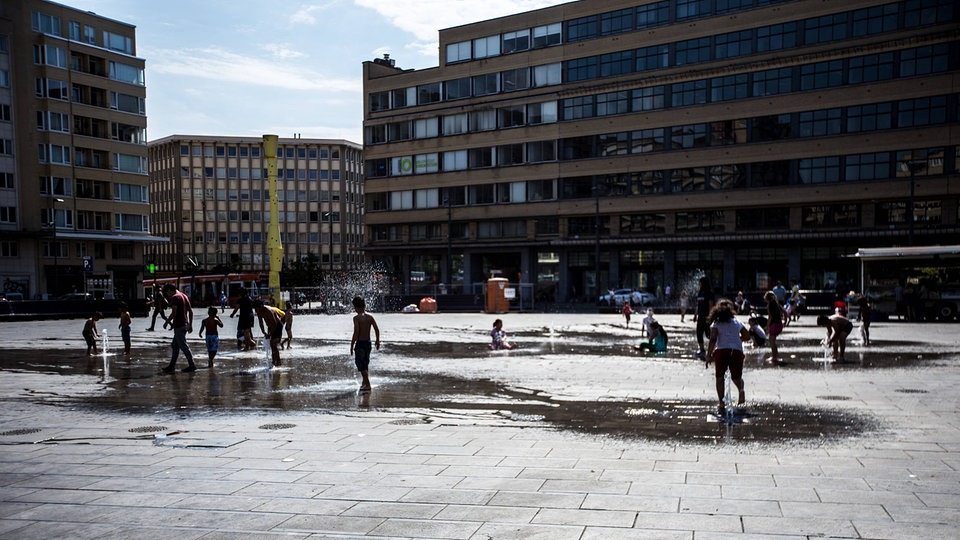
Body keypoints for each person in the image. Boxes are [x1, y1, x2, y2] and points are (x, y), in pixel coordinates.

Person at [706, 299, 750, 415]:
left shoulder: (716, 323)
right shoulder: (736, 322)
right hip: (737, 351)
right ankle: (741, 389)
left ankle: (721, 402)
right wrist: (736, 339)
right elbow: (747, 336)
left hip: (722, 351)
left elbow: (713, 339)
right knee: (736, 377)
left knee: (720, 377)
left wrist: (708, 355)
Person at [161, 283, 197, 373]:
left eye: (167, 293)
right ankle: (171, 366)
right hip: (184, 324)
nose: (168, 295)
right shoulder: (184, 295)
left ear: (169, 290)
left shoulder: (175, 297)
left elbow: (174, 313)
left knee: (183, 345)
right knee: (175, 345)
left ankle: (192, 365)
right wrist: (190, 324)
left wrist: (167, 322)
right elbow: (191, 311)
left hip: (179, 325)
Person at [350, 296, 381, 392]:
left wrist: (352, 345)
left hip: (360, 343)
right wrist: (377, 340)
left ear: (355, 308)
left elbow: (356, 332)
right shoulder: (370, 317)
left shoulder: (356, 318)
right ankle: (364, 382)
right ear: (365, 305)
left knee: (360, 364)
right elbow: (376, 329)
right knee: (365, 363)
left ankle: (367, 384)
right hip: (368, 343)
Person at [253, 299, 286, 367]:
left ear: (261, 306)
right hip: (271, 327)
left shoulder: (268, 311)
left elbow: (274, 323)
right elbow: (261, 322)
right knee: (272, 345)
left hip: (277, 325)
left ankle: (277, 362)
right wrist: (263, 332)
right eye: (255, 309)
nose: (256, 311)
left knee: (273, 343)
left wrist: (270, 334)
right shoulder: (259, 311)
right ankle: (275, 362)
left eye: (257, 309)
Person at [694, 276, 715, 361]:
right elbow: (698, 305)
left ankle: (714, 349)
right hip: (700, 316)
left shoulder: (709, 293)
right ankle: (702, 350)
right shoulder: (700, 293)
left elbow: (711, 305)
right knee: (699, 332)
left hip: (706, 316)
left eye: (700, 282)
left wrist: (710, 316)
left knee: (708, 334)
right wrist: (695, 315)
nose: (699, 284)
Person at [764, 290, 787, 364]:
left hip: (774, 325)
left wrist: (767, 326)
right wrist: (785, 322)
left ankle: (774, 357)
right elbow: (785, 312)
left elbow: (770, 317)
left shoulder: (770, 305)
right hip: (779, 324)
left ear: (767, 298)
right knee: (773, 341)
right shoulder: (777, 304)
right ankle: (775, 356)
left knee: (772, 341)